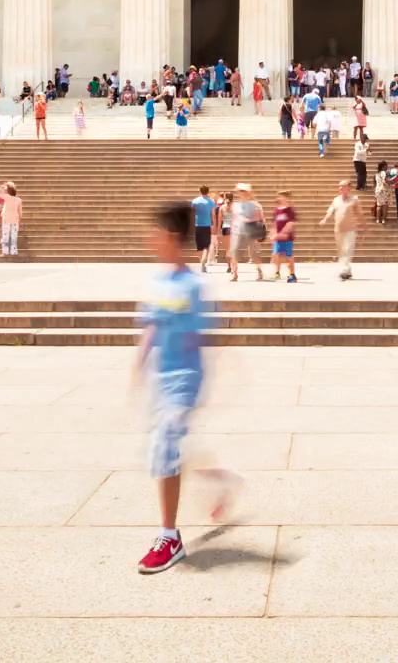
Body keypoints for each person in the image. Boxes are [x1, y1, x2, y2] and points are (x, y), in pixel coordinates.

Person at [133, 202, 239, 574]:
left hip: (183, 379)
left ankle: (169, 537)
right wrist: (139, 363)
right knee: (173, 450)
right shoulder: (157, 282)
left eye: (157, 234)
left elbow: (201, 336)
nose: (151, 239)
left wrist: (199, 387)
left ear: (173, 238)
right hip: (162, 379)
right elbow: (150, 325)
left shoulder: (193, 285)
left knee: (165, 448)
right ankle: (223, 480)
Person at [321, 180, 362, 281]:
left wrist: (364, 226)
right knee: (342, 251)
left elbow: (360, 213)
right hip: (338, 230)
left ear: (349, 188)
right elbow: (331, 210)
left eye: (343, 186)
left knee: (347, 250)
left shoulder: (354, 199)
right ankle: (347, 271)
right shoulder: (336, 200)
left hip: (350, 229)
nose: (340, 188)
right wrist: (325, 219)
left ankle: (344, 270)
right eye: (339, 186)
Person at [228, 184, 266, 282]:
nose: (241, 193)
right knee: (234, 253)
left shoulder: (254, 204)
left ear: (248, 192)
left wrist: (248, 220)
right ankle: (234, 273)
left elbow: (259, 217)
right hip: (237, 232)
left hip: (250, 232)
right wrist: (232, 230)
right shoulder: (235, 205)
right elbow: (233, 218)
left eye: (243, 191)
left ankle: (259, 270)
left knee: (254, 254)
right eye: (240, 191)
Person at [271, 191, 298, 283]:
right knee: (276, 255)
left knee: (288, 256)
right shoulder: (277, 210)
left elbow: (290, 224)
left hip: (287, 238)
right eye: (279, 197)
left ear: (287, 198)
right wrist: (273, 234)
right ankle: (277, 272)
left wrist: (281, 233)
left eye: (282, 197)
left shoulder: (290, 210)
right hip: (278, 239)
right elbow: (274, 223)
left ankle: (292, 275)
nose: (280, 198)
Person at [190, 186, 217, 271]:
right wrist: (214, 225)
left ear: (200, 191)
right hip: (207, 225)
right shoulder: (211, 201)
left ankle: (201, 262)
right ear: (208, 192)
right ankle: (203, 262)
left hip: (197, 225)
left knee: (199, 246)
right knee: (206, 245)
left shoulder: (195, 201)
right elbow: (213, 215)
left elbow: (192, 214)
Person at [0, 183, 23, 257]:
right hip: (15, 219)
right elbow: (20, 212)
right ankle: (14, 251)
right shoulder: (19, 200)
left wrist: (2, 187)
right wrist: (19, 220)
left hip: (6, 219)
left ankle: (5, 252)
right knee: (14, 237)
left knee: (5, 236)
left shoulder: (7, 197)